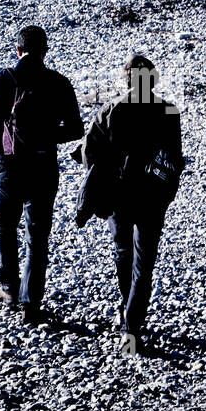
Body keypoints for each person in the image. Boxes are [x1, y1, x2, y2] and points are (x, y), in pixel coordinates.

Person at [76, 53, 183, 354]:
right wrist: (168, 192)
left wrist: (97, 179)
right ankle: (131, 328)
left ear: (126, 79)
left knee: (123, 253)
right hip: (152, 197)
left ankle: (126, 311)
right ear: (153, 79)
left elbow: (88, 151)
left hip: (118, 195)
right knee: (144, 263)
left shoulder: (112, 110)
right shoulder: (168, 111)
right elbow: (175, 159)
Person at [0, 24, 83, 326]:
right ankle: (31, 304)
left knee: (5, 225)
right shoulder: (59, 83)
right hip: (43, 165)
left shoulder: (2, 79)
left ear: (18, 50)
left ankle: (9, 288)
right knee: (37, 235)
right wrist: (47, 135)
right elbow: (76, 130)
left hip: (7, 164)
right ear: (45, 51)